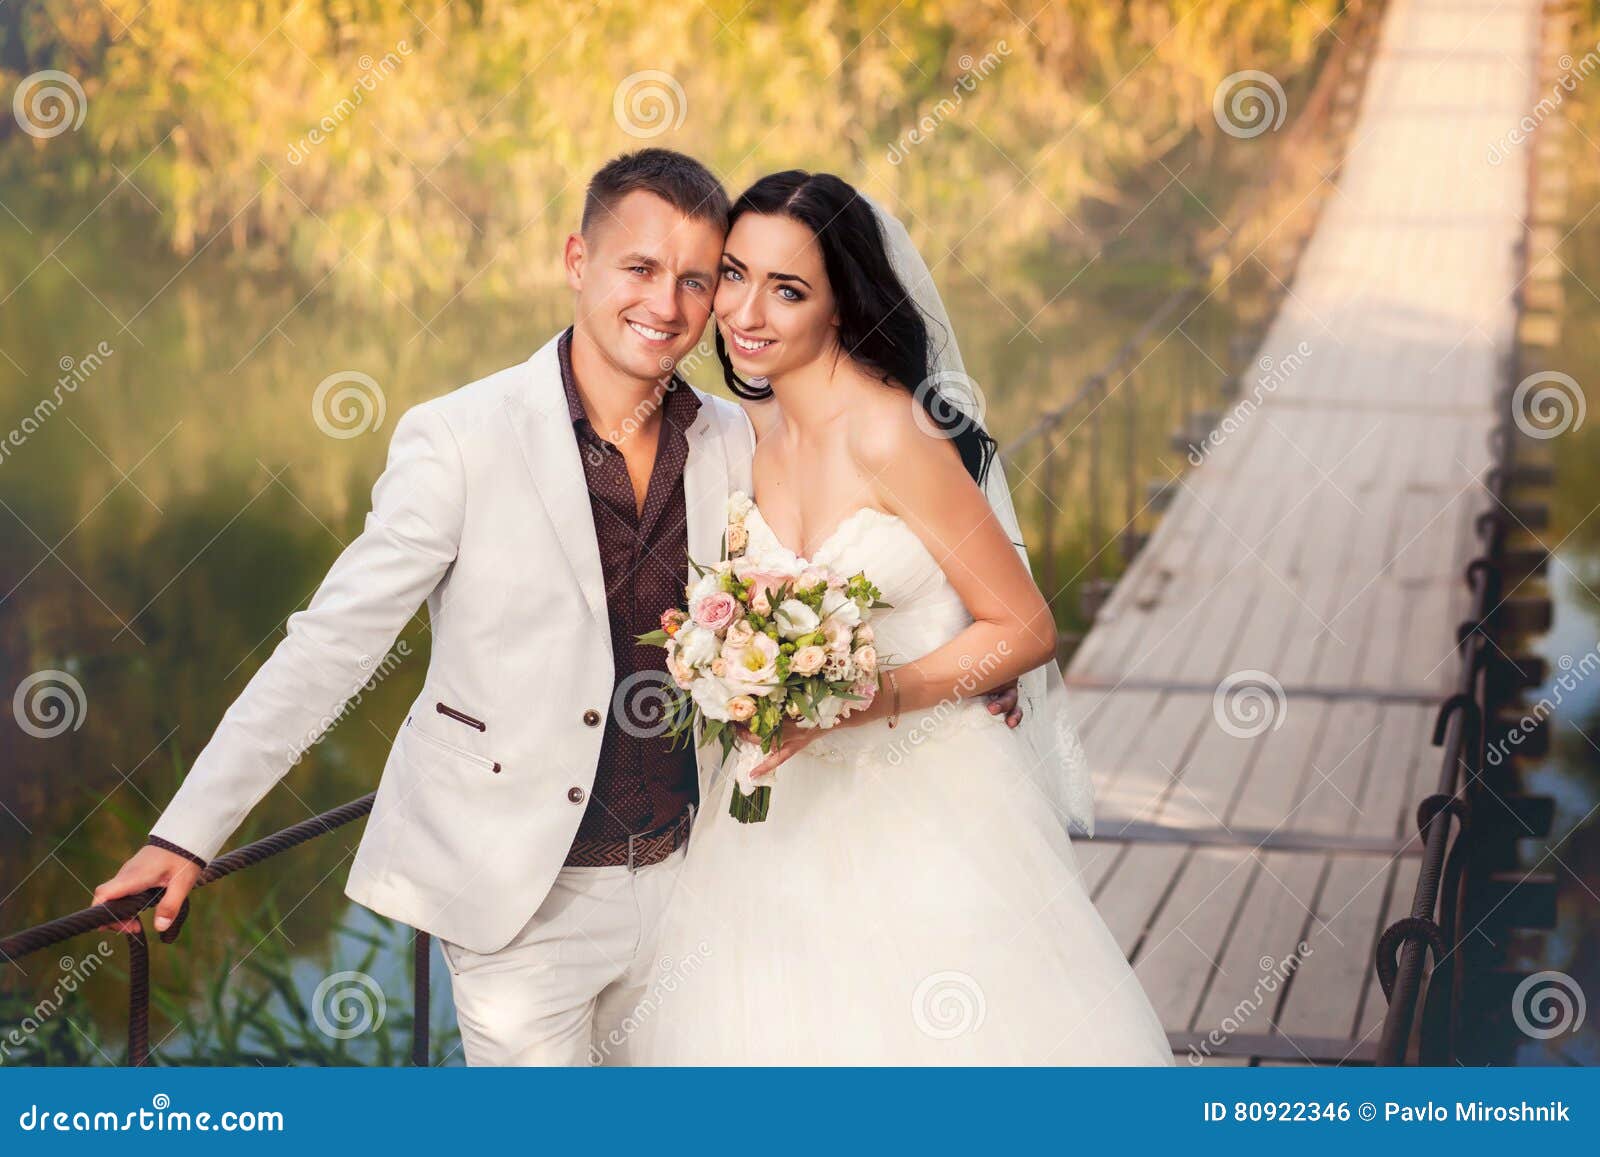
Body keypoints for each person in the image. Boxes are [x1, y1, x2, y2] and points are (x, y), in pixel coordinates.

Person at [89, 149, 1024, 1065]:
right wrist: (187, 833)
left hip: (699, 884)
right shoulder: (459, 438)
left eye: (699, 280)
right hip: (520, 902)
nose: (667, 305)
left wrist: (945, 662)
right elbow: (328, 648)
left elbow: (844, 551)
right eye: (641, 268)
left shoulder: (735, 438)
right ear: (578, 262)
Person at [624, 171, 1174, 1065]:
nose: (746, 311)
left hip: (923, 800)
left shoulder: (892, 433)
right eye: (732, 274)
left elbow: (1025, 627)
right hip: (773, 810)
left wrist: (867, 696)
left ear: (841, 303)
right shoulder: (745, 436)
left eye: (788, 288)